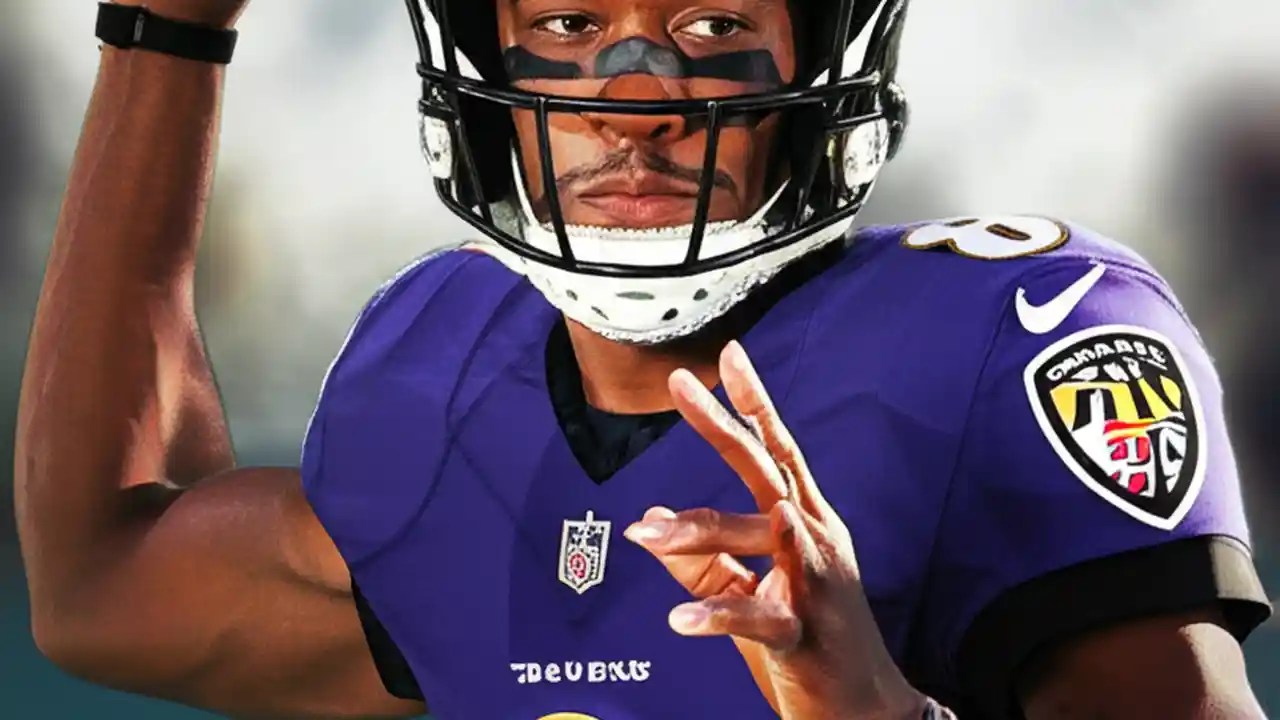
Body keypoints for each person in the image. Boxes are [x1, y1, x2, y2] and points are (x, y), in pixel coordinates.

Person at [15, 0, 1272, 718]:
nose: (631, 98)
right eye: (565, 24)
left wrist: (871, 709)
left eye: (710, 22)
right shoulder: (435, 361)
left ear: (824, 62)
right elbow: (105, 583)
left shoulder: (1016, 333)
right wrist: (169, 34)